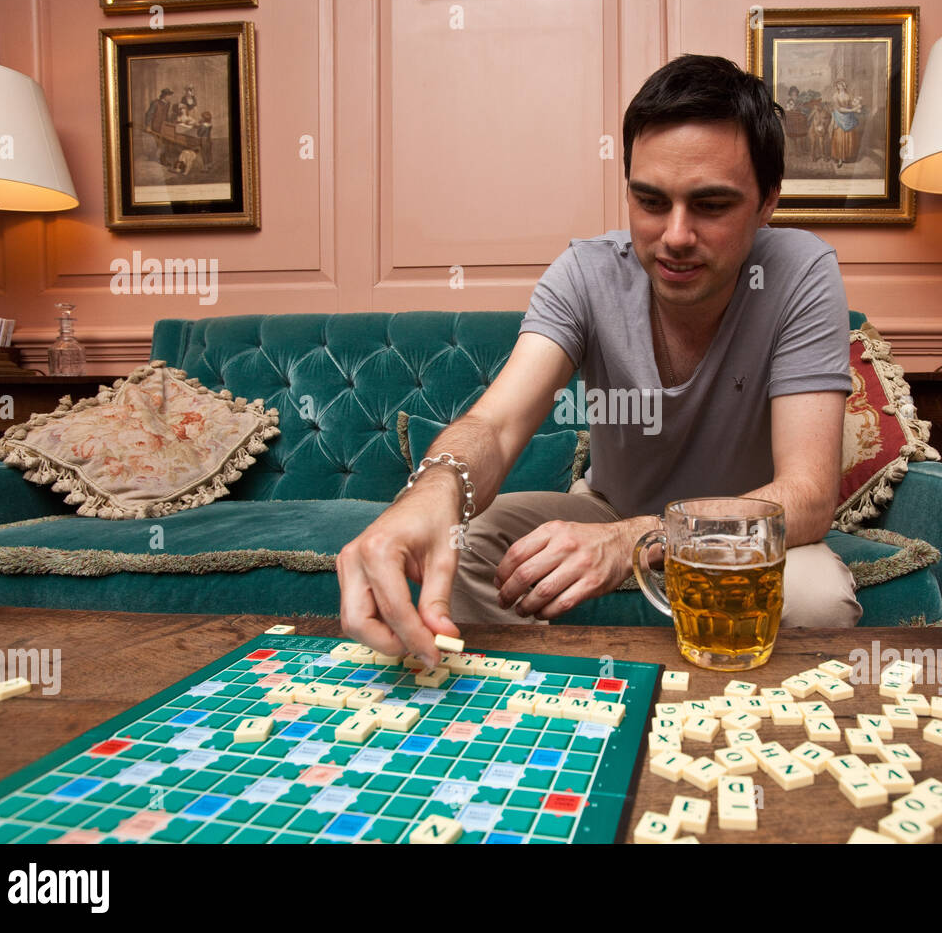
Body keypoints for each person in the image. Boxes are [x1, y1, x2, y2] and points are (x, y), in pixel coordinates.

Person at [338, 54, 861, 666]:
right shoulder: (584, 273)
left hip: (745, 532)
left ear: (767, 202)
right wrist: (435, 488)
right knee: (466, 543)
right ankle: (518, 716)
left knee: (817, 599)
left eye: (712, 205)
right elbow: (499, 424)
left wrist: (634, 540)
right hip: (607, 501)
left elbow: (807, 494)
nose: (675, 236)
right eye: (650, 201)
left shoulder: (802, 271)